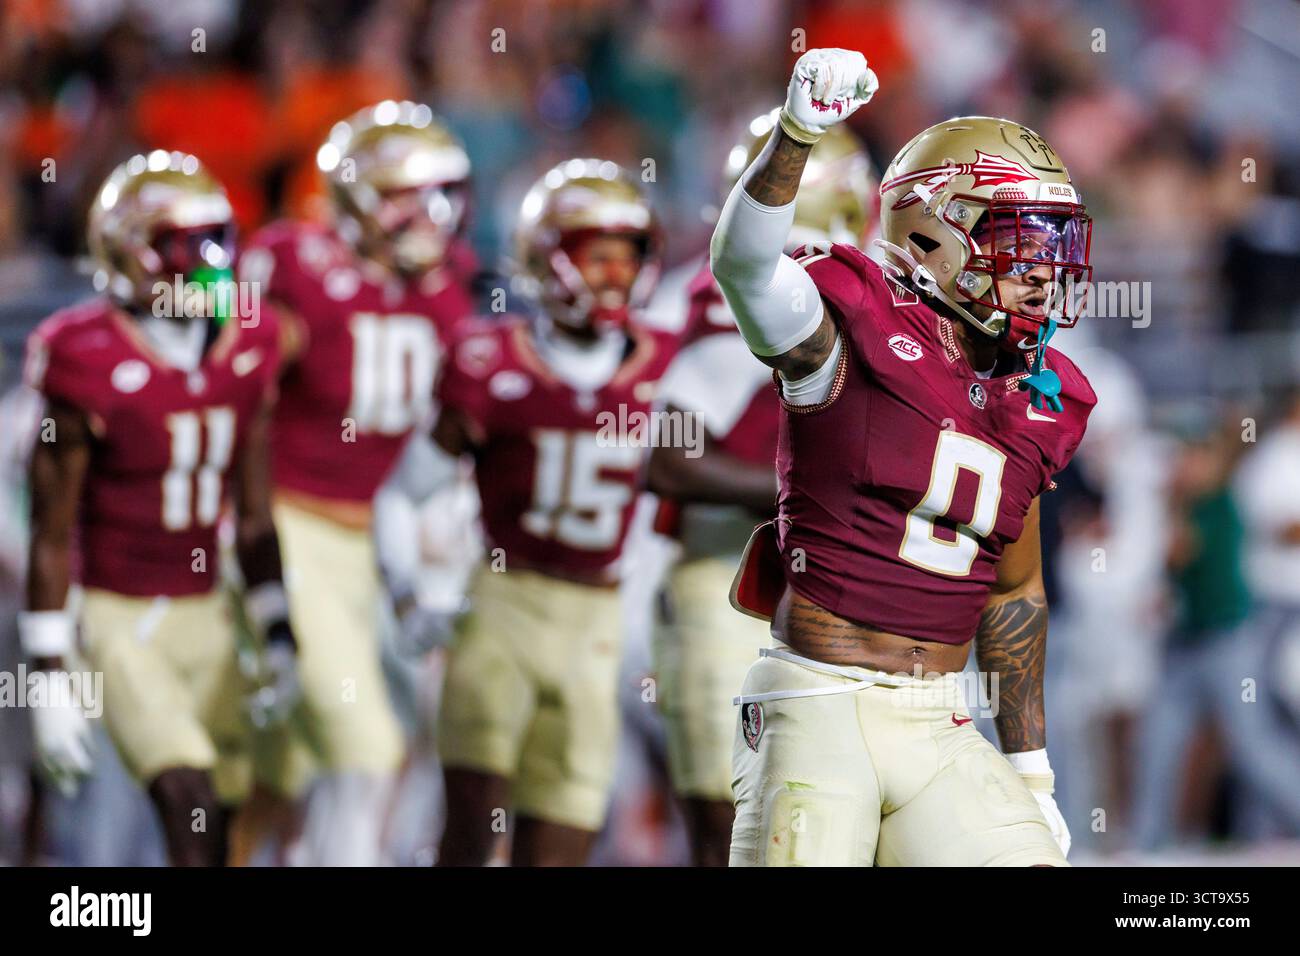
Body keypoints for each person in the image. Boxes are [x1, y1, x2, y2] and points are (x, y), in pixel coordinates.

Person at [710, 48, 1095, 866]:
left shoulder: (1043, 395)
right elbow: (743, 268)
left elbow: (1016, 586)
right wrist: (796, 135)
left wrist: (1031, 770)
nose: (1046, 269)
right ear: (933, 232)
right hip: (817, 702)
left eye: (1055, 240)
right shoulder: (855, 323)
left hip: (939, 720)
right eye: (1021, 239)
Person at [374, 159, 675, 865]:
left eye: (626, 257)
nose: (614, 275)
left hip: (601, 621)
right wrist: (411, 592)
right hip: (502, 610)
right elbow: (402, 493)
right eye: (594, 256)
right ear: (547, 258)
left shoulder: (666, 365)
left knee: (562, 844)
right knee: (471, 840)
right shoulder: (489, 360)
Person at [22, 152, 299, 866]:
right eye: (181, 246)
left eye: (214, 243)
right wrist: (48, 672)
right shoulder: (83, 356)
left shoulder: (249, 341)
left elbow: (256, 511)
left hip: (211, 611)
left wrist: (275, 625)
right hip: (119, 614)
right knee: (190, 805)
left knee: (226, 825)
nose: (205, 266)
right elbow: (51, 537)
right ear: (128, 252)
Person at [237, 101, 477, 865]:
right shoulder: (297, 267)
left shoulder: (453, 285)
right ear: (361, 197)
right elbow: (233, 392)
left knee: (291, 766)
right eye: (412, 194)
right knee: (362, 746)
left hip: (390, 541)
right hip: (298, 529)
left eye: (443, 193)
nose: (433, 215)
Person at [645, 110, 876, 866]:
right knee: (732, 823)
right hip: (726, 579)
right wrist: (799, 492)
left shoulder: (857, 293)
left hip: (821, 591)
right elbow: (667, 453)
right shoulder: (760, 292)